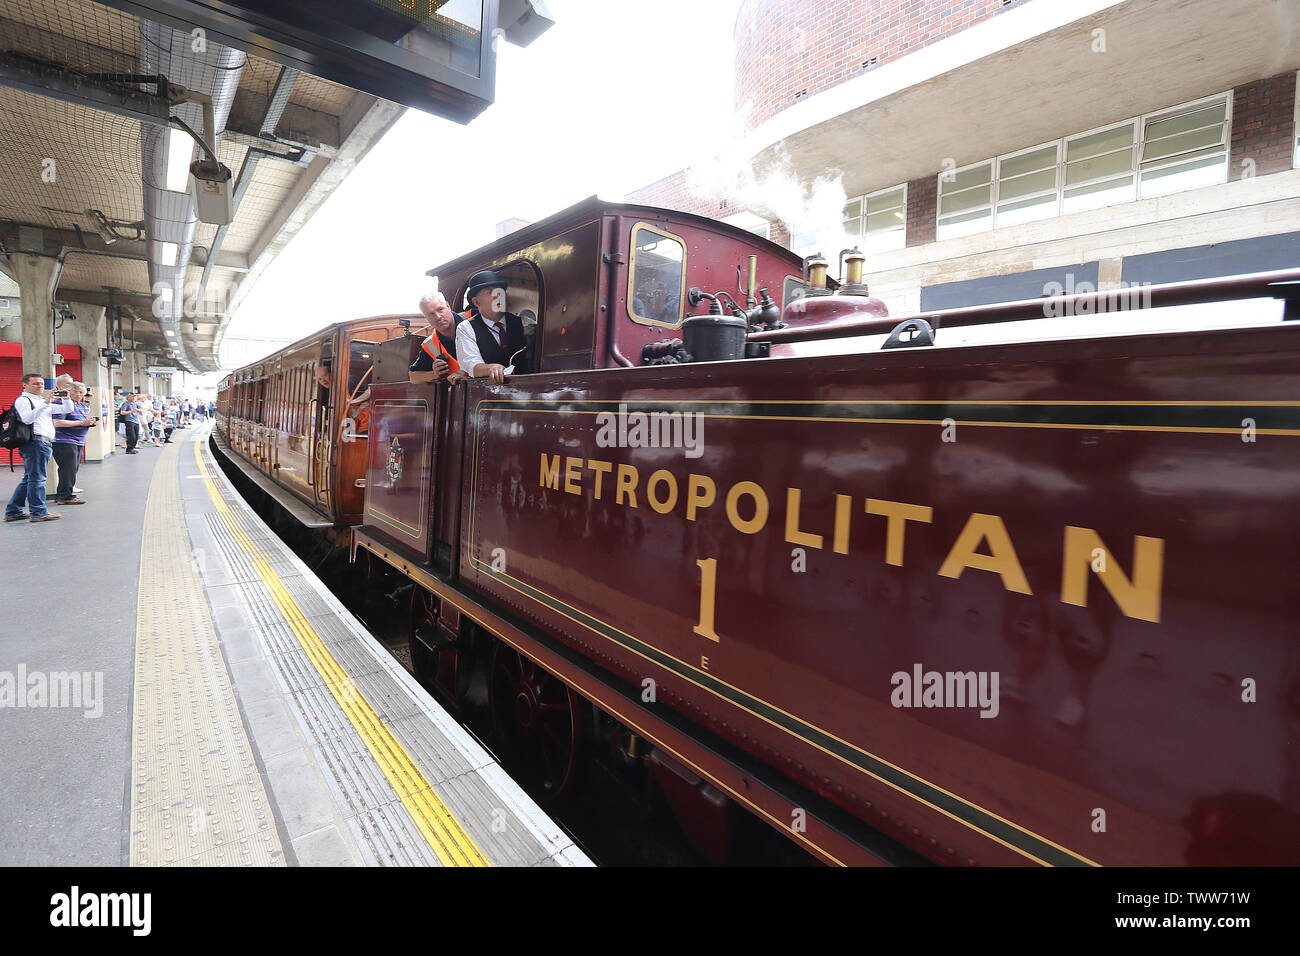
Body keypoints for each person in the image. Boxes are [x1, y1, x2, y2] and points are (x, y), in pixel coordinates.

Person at [5, 372, 70, 523]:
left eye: (41, 383)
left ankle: (14, 511)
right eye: (35, 383)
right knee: (37, 479)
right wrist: (46, 403)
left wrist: (65, 399)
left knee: (29, 478)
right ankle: (38, 512)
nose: (40, 386)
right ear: (25, 385)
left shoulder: (41, 400)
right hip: (35, 442)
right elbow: (27, 418)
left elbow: (66, 410)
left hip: (43, 443)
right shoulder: (23, 400)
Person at [455, 270, 533, 385]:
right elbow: (471, 365)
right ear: (476, 302)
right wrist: (491, 368)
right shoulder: (466, 328)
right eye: (490, 292)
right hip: (490, 396)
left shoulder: (524, 322)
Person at [51, 381, 97, 505]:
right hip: (64, 441)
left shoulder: (81, 405)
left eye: (81, 392)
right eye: (75, 391)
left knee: (72, 469)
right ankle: (64, 496)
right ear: (68, 392)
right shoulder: (61, 403)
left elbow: (82, 419)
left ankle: (64, 493)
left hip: (77, 441)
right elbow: (58, 422)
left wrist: (89, 422)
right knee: (67, 469)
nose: (78, 394)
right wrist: (82, 423)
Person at [409, 291, 468, 384]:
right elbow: (413, 377)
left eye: (440, 309)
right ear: (426, 318)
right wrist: (435, 374)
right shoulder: (430, 344)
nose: (438, 317)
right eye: (431, 314)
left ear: (448, 306)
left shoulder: (474, 319)